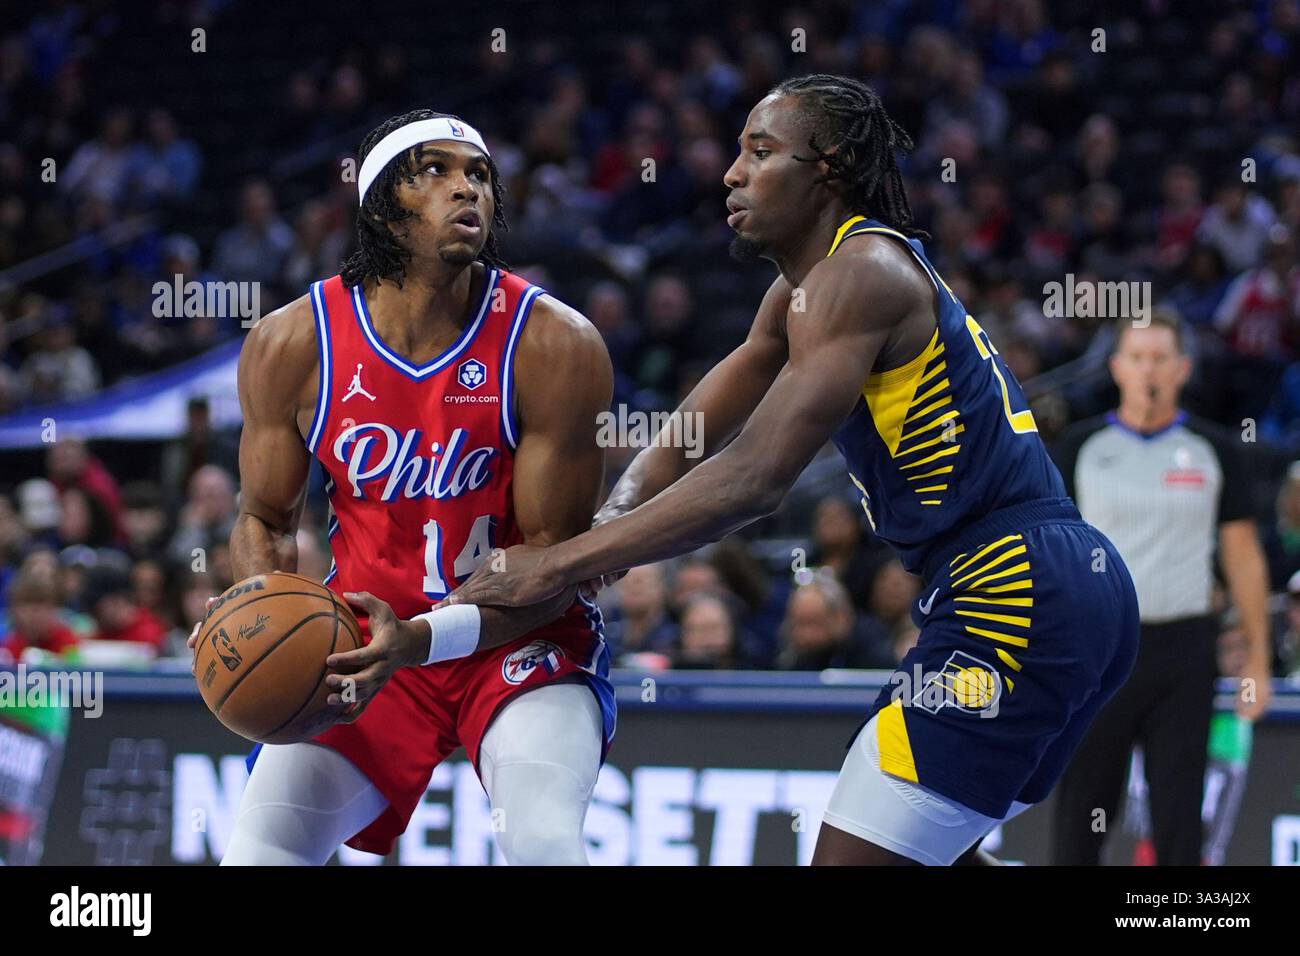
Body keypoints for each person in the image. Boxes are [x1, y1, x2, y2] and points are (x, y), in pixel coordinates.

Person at [447, 75, 1141, 866]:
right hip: (1051, 589)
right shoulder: (801, 295)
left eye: (761, 151)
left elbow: (756, 476)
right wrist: (612, 518)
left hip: (1016, 592)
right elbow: (697, 427)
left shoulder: (861, 274)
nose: (731, 174)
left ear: (829, 167)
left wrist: (559, 564)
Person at [193, 110, 616, 866]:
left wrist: (422, 639)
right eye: (435, 172)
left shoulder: (554, 342)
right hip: (357, 641)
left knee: (544, 843)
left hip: (516, 639)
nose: (468, 190)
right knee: (258, 855)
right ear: (381, 205)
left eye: (480, 174)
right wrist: (256, 606)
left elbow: (557, 566)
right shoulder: (294, 342)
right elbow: (263, 514)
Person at [1049, 311, 1273, 865]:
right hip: (1098, 650)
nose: (1149, 368)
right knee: (1082, 810)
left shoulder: (1213, 449)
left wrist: (1259, 660)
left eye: (1161, 357)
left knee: (1179, 812)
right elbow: (1051, 555)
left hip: (1184, 650)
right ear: (1117, 367)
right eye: (1138, 356)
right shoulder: (1081, 446)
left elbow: (1243, 557)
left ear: (1183, 369)